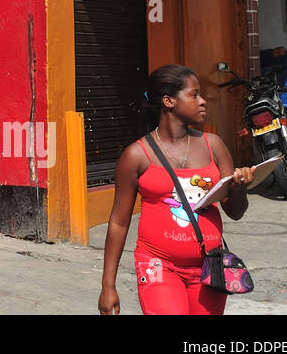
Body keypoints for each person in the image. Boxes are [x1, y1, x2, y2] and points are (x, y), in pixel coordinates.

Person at [98, 64, 256, 315]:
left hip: (209, 267)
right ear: (169, 101)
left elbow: (235, 212)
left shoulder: (214, 146)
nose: (203, 101)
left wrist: (238, 187)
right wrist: (108, 285)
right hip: (158, 265)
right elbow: (119, 222)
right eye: (194, 95)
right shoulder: (136, 155)